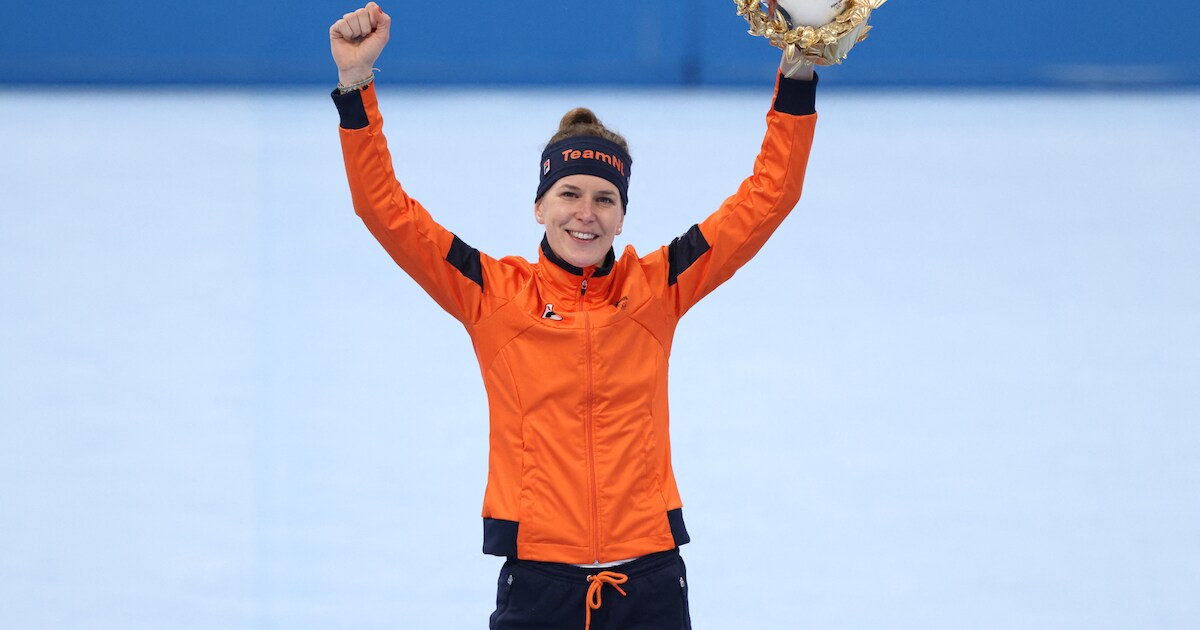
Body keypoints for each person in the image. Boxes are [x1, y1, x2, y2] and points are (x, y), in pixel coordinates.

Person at [329, 3, 819, 628]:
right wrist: (355, 87)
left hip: (648, 582)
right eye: (569, 193)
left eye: (604, 199)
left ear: (621, 216)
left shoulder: (658, 286)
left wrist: (798, 74)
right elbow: (384, 211)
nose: (585, 213)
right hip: (539, 585)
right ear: (539, 206)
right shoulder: (493, 293)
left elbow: (768, 198)